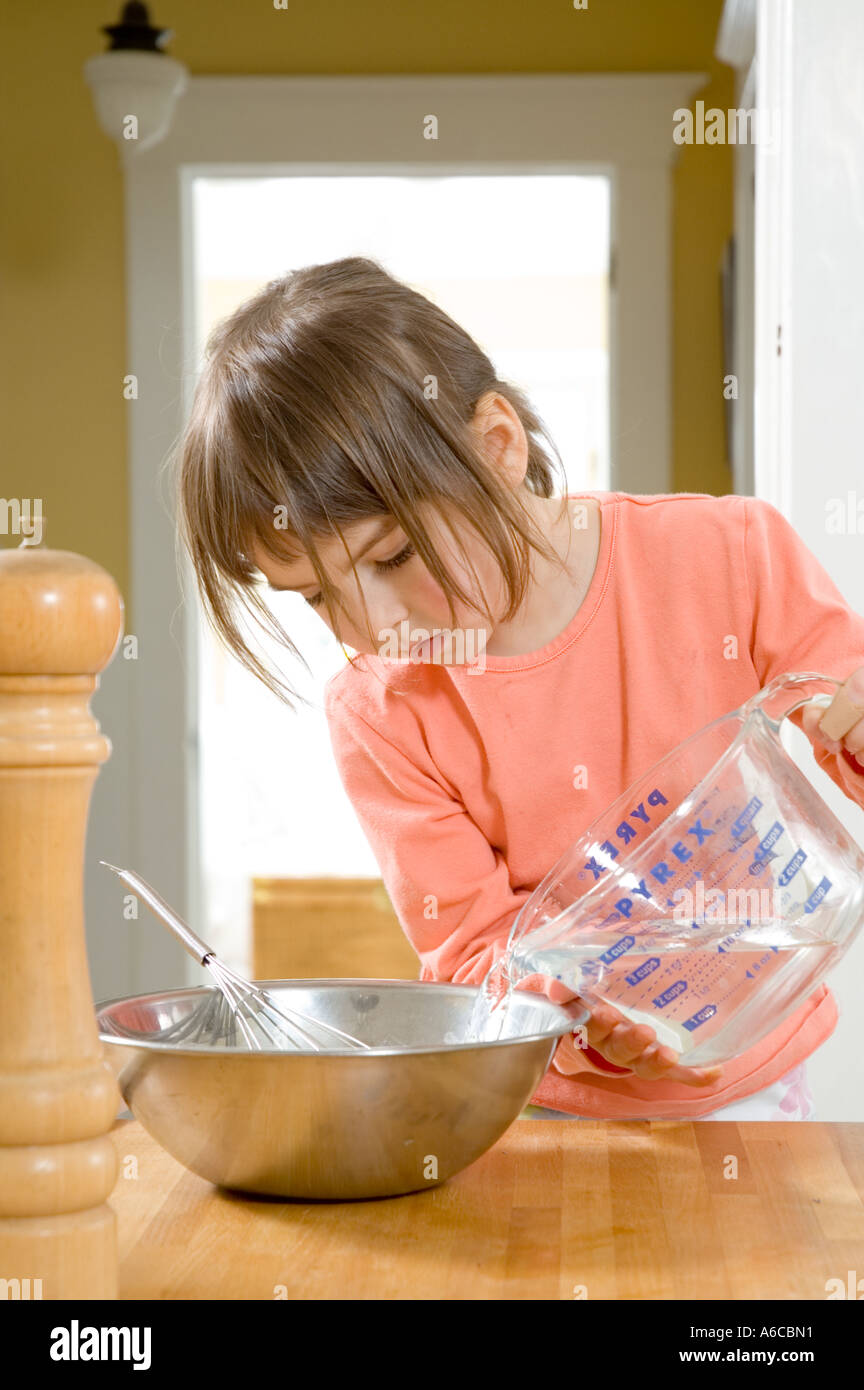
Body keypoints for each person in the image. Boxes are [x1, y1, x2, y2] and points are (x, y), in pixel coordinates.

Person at [176, 255, 864, 1121]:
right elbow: (470, 952)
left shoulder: (729, 555)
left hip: (756, 1086)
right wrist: (575, 1018)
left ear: (497, 446)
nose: (368, 627)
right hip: (541, 1111)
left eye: (393, 556)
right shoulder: (379, 713)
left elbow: (838, 709)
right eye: (316, 596)